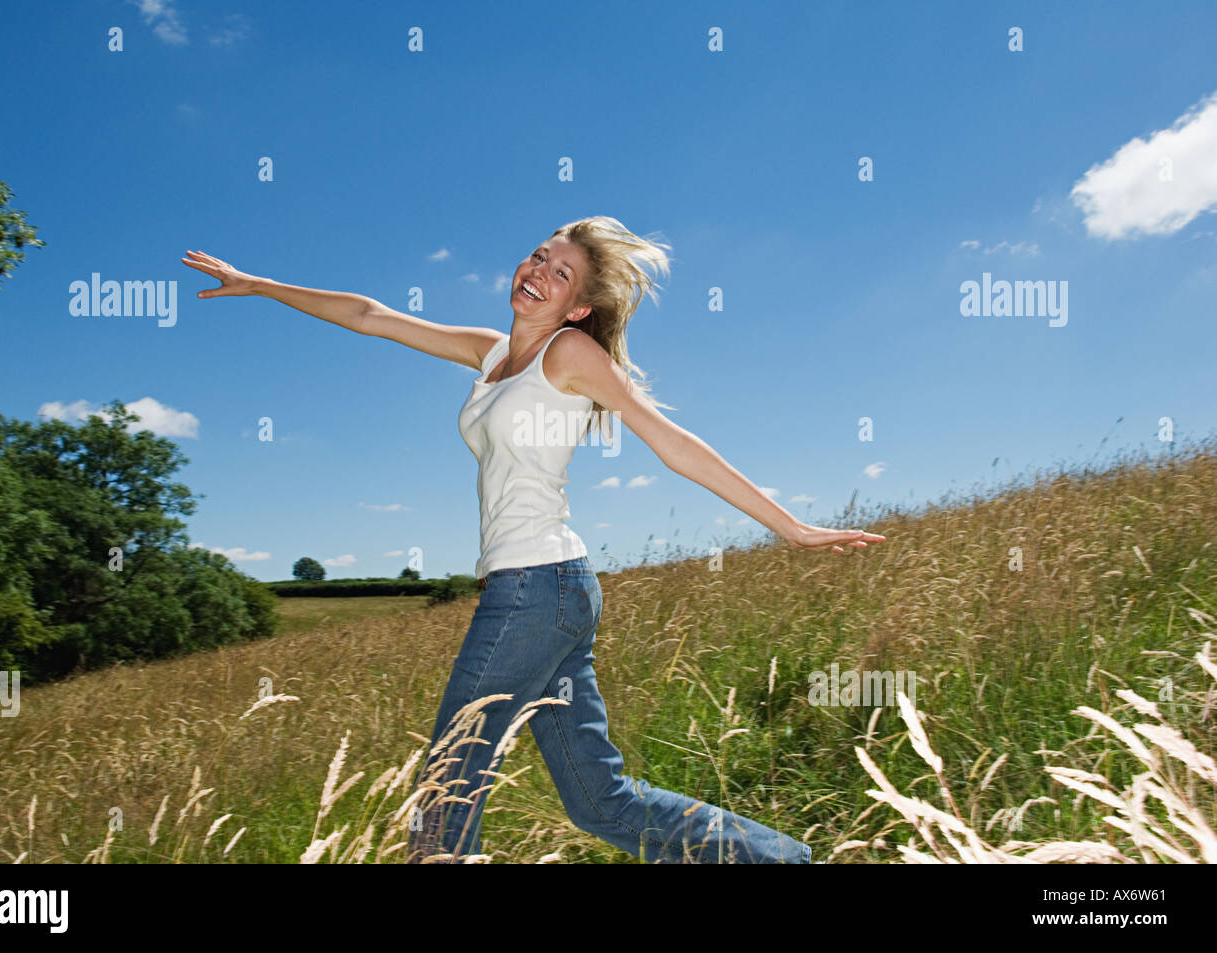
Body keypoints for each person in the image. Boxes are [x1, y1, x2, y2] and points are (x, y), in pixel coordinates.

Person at [181, 216, 885, 864]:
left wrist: (789, 526)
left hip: (536, 588)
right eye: (539, 256)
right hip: (547, 591)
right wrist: (260, 286)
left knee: (445, 785)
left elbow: (669, 440)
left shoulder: (570, 351)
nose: (537, 272)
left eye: (560, 274)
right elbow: (372, 316)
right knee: (599, 802)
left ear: (577, 307)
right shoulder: (489, 357)